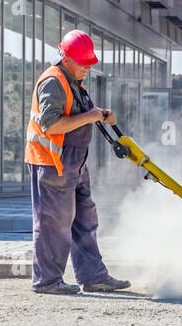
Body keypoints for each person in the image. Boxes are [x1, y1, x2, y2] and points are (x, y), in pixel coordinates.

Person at [24, 30, 130, 295]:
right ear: (66, 58)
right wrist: (91, 116)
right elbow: (52, 125)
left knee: (85, 219)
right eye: (83, 63)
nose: (87, 68)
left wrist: (99, 115)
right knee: (54, 223)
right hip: (52, 163)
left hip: (74, 162)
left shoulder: (73, 81)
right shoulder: (53, 81)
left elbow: (77, 114)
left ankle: (93, 277)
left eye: (90, 63)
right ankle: (48, 281)